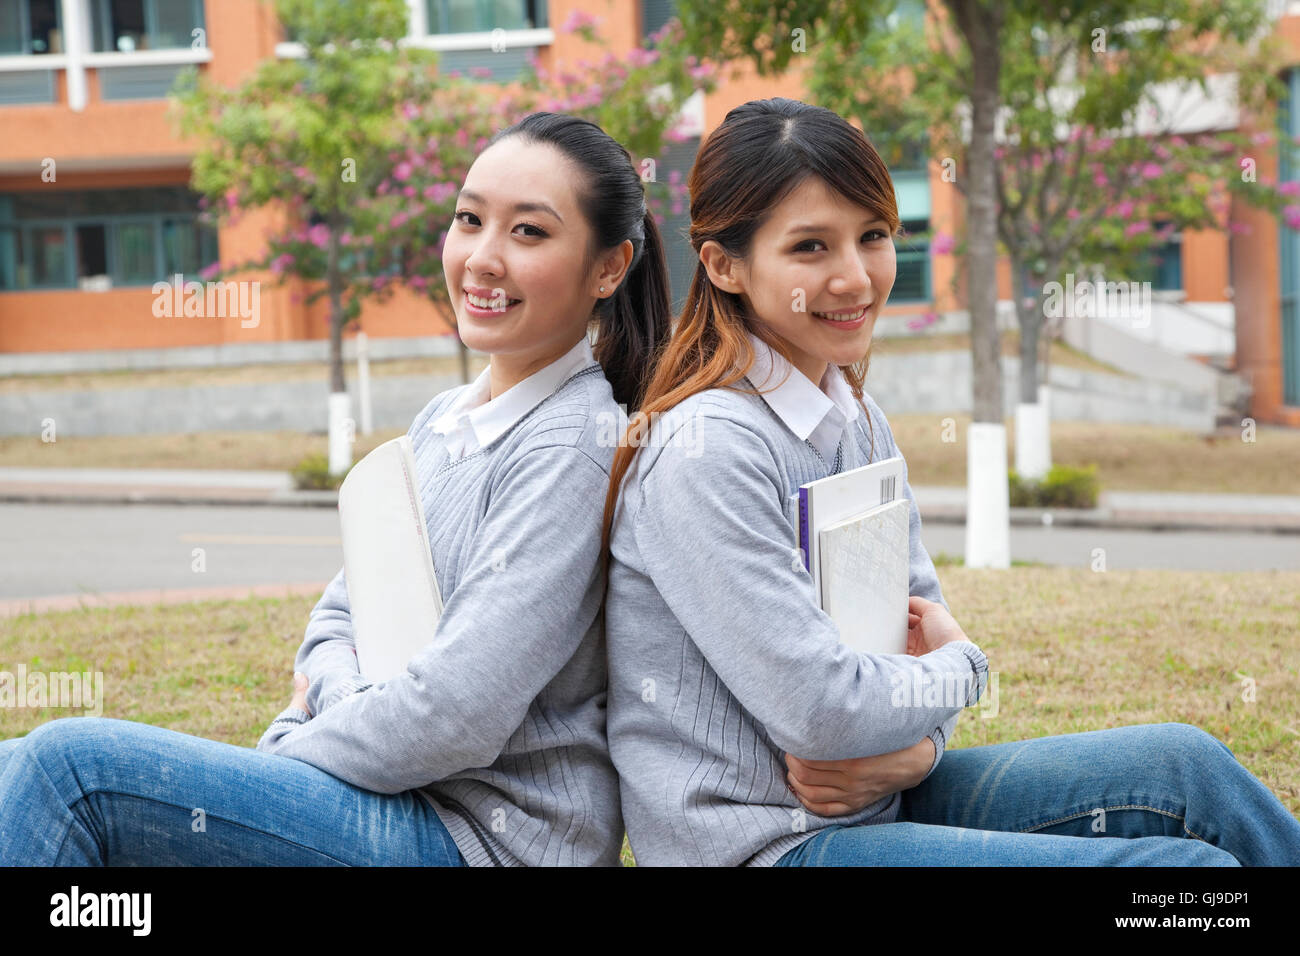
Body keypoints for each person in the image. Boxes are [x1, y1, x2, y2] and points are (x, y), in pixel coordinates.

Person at [599, 96, 1300, 867]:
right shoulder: (706, 452)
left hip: (883, 802)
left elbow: (913, 627)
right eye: (810, 247)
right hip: (764, 848)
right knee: (1182, 879)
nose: (855, 276)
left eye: (873, 236)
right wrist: (966, 668)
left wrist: (919, 754)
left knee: (1188, 770)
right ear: (724, 264)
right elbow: (825, 709)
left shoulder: (857, 418)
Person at [0, 111, 672, 867]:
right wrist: (342, 695)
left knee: (69, 771)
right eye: (469, 219)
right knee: (11, 764)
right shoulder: (446, 419)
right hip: (384, 794)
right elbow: (338, 614)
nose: (482, 258)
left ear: (609, 268)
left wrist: (295, 741)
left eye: (529, 233)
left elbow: (457, 714)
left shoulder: (572, 444)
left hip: (481, 839)